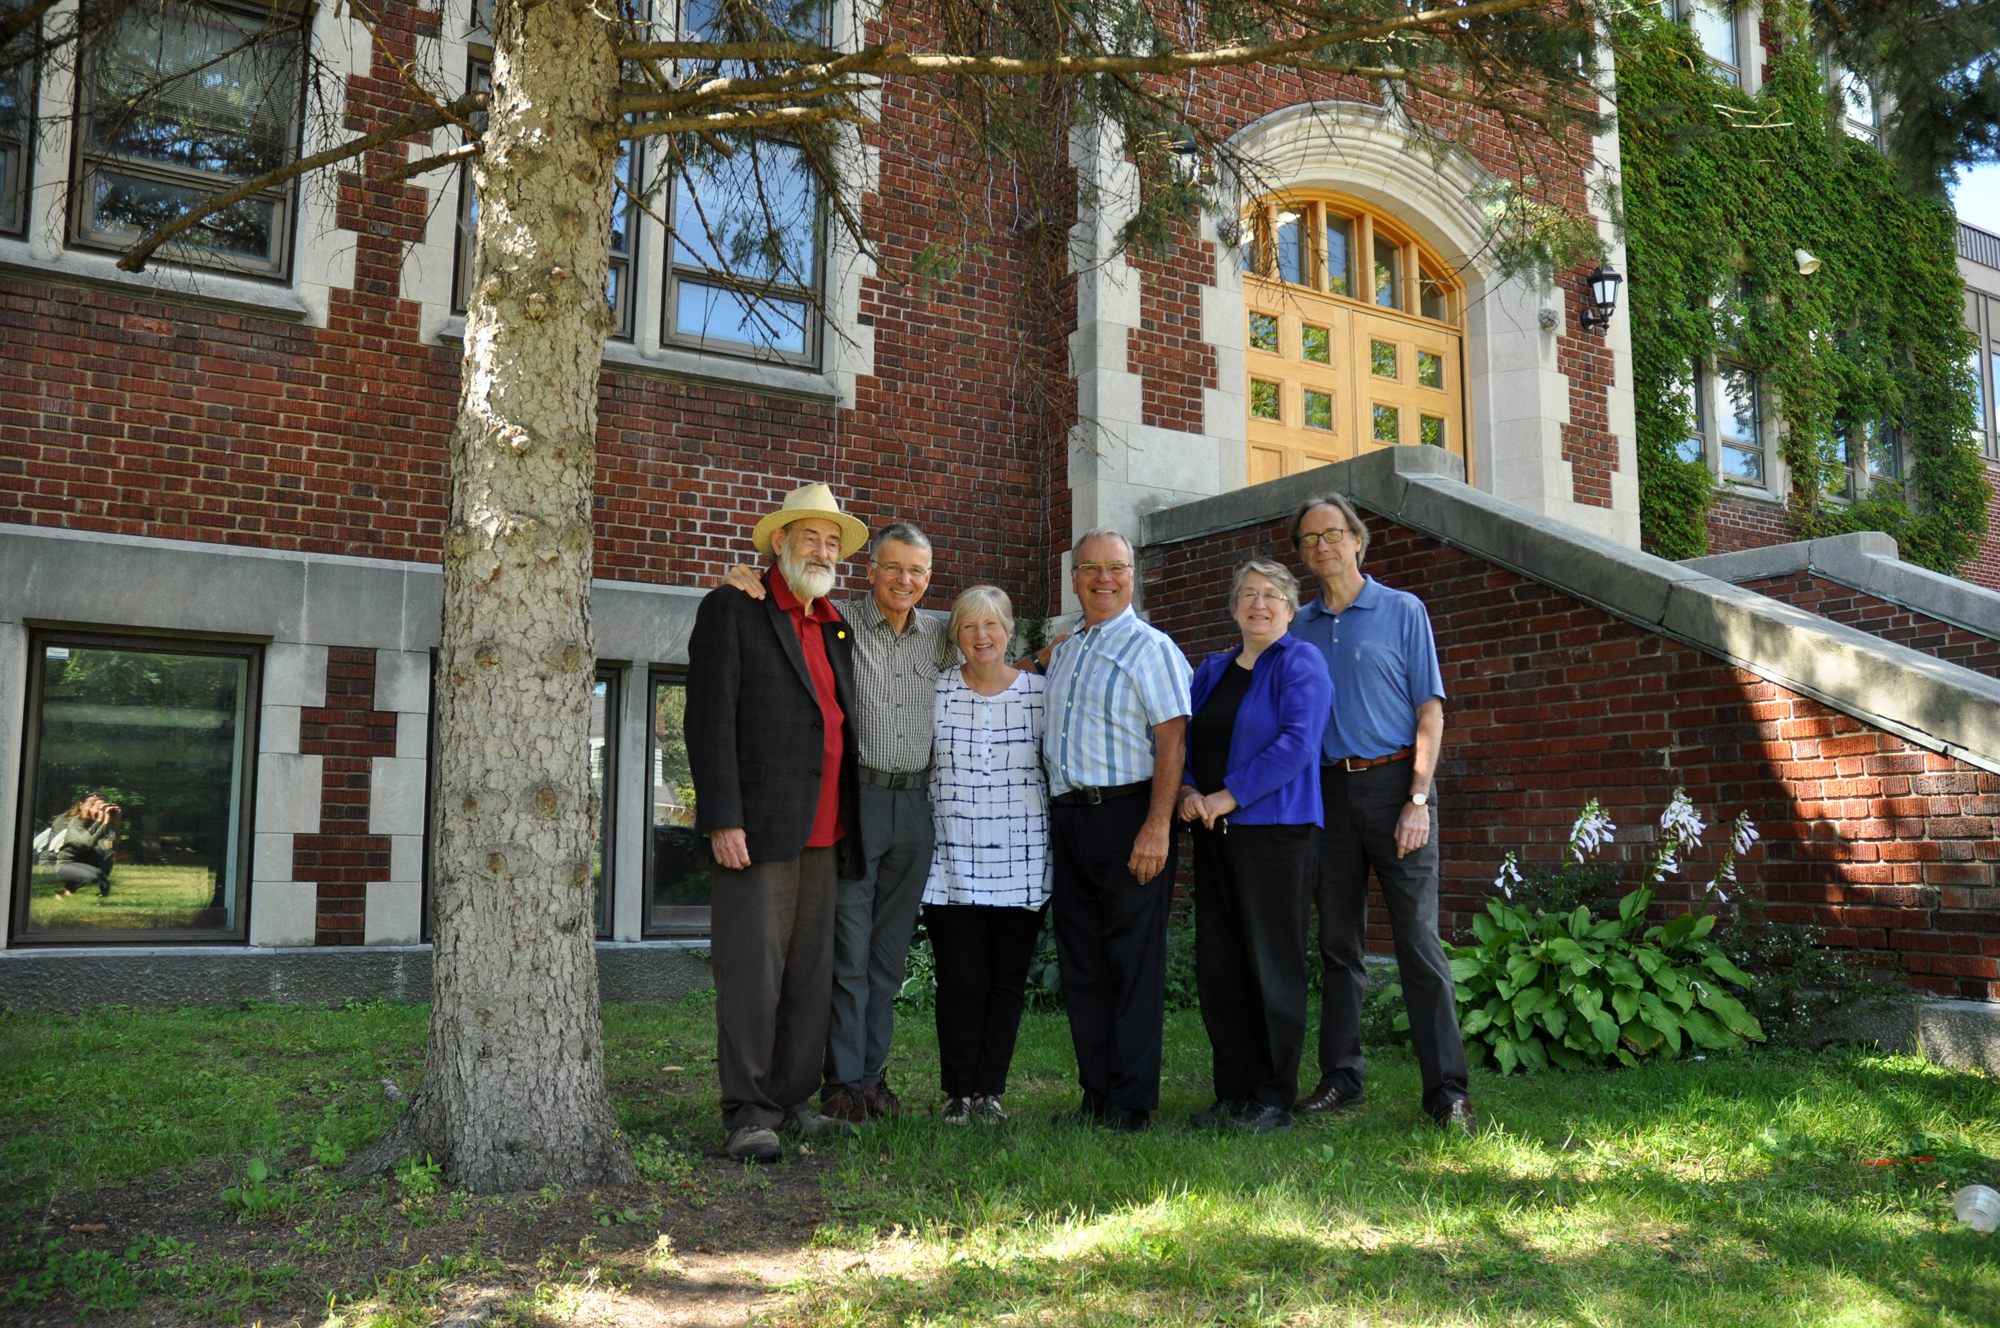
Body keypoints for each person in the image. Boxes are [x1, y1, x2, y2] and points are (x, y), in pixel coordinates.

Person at [722, 523, 953, 1123]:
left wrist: (1046, 653)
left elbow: (991, 649)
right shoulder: (837, 623)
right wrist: (739, 576)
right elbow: (777, 612)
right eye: (893, 567)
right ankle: (841, 1084)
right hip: (856, 800)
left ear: (930, 578)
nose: (905, 580)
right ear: (869, 570)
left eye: (918, 571)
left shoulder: (940, 636)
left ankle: (870, 1080)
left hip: (913, 805)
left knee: (884, 957)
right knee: (845, 953)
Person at [685, 482, 870, 1163]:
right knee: (752, 977)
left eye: (832, 542)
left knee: (807, 978)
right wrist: (722, 819)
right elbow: (708, 723)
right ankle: (748, 1114)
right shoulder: (733, 609)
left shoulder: (836, 624)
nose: (822, 551)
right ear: (778, 545)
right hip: (757, 831)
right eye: (809, 538)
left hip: (826, 833)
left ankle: (793, 1103)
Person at [1288, 493, 1475, 1135]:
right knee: (1338, 944)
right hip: (1327, 796)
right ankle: (1341, 1078)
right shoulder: (1298, 626)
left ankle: (1448, 1092)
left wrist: (1418, 798)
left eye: (1333, 533)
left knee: (1419, 944)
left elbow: (1431, 711)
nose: (1323, 546)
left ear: (1358, 540)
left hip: (1397, 787)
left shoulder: (1401, 610)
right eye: (1310, 538)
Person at [1042, 528, 1192, 1133]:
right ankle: (1096, 1094)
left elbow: (1173, 740)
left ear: (1135, 575)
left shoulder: (1151, 648)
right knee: (1083, 962)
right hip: (1071, 817)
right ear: (1073, 577)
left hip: (1130, 814)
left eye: (1116, 568)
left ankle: (1131, 1104)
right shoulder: (1068, 648)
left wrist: (1157, 826)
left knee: (1132, 962)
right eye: (1090, 569)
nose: (1103, 579)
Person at [1178, 560, 1332, 1135]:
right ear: (1234, 607)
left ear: (1291, 610)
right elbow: (1185, 735)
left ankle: (1272, 1098)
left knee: (1272, 963)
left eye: (1272, 595)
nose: (1259, 604)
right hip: (1213, 833)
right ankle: (1233, 1092)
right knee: (1222, 966)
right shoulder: (1213, 668)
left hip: (1277, 835)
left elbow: (1297, 745)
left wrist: (1226, 797)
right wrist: (1190, 789)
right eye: (1248, 594)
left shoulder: (1302, 662)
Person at [922, 585, 1050, 1126]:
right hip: (951, 860)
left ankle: (990, 1091)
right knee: (961, 981)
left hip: (1022, 860)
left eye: (992, 625)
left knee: (1005, 982)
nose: (982, 636)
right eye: (970, 627)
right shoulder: (936, 692)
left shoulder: (1039, 695)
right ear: (957, 636)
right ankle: (957, 1092)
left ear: (1009, 631)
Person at [44, 793, 120, 896]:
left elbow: (109, 845)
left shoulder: (101, 822)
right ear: (83, 806)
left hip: (84, 860)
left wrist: (114, 821)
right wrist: (102, 822)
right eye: (98, 808)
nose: (101, 811)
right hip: (65, 863)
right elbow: (87, 843)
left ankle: (103, 893)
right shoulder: (70, 821)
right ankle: (65, 890)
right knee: (93, 875)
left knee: (105, 853)